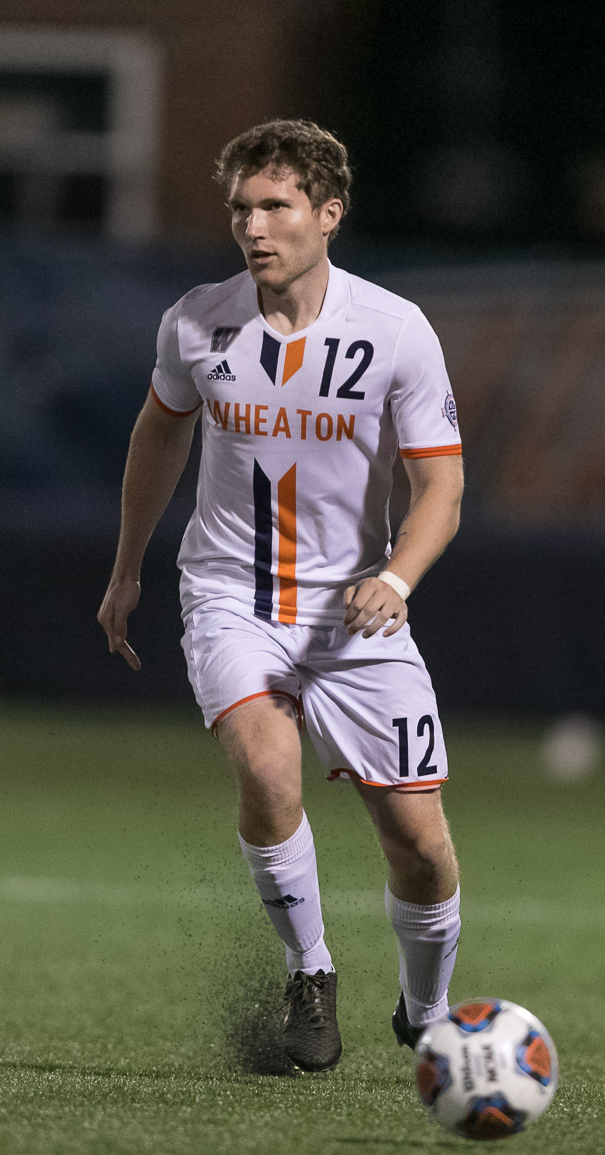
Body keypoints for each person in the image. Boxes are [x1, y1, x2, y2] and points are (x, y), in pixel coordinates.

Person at [97, 118, 466, 1073]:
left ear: (329, 213)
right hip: (231, 596)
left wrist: (397, 578)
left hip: (354, 610)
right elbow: (159, 433)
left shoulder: (395, 330)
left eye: (275, 207)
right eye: (240, 209)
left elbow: (442, 487)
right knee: (266, 773)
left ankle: (426, 1011)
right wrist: (128, 567)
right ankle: (311, 971)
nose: (253, 228)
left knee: (420, 847)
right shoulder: (197, 321)